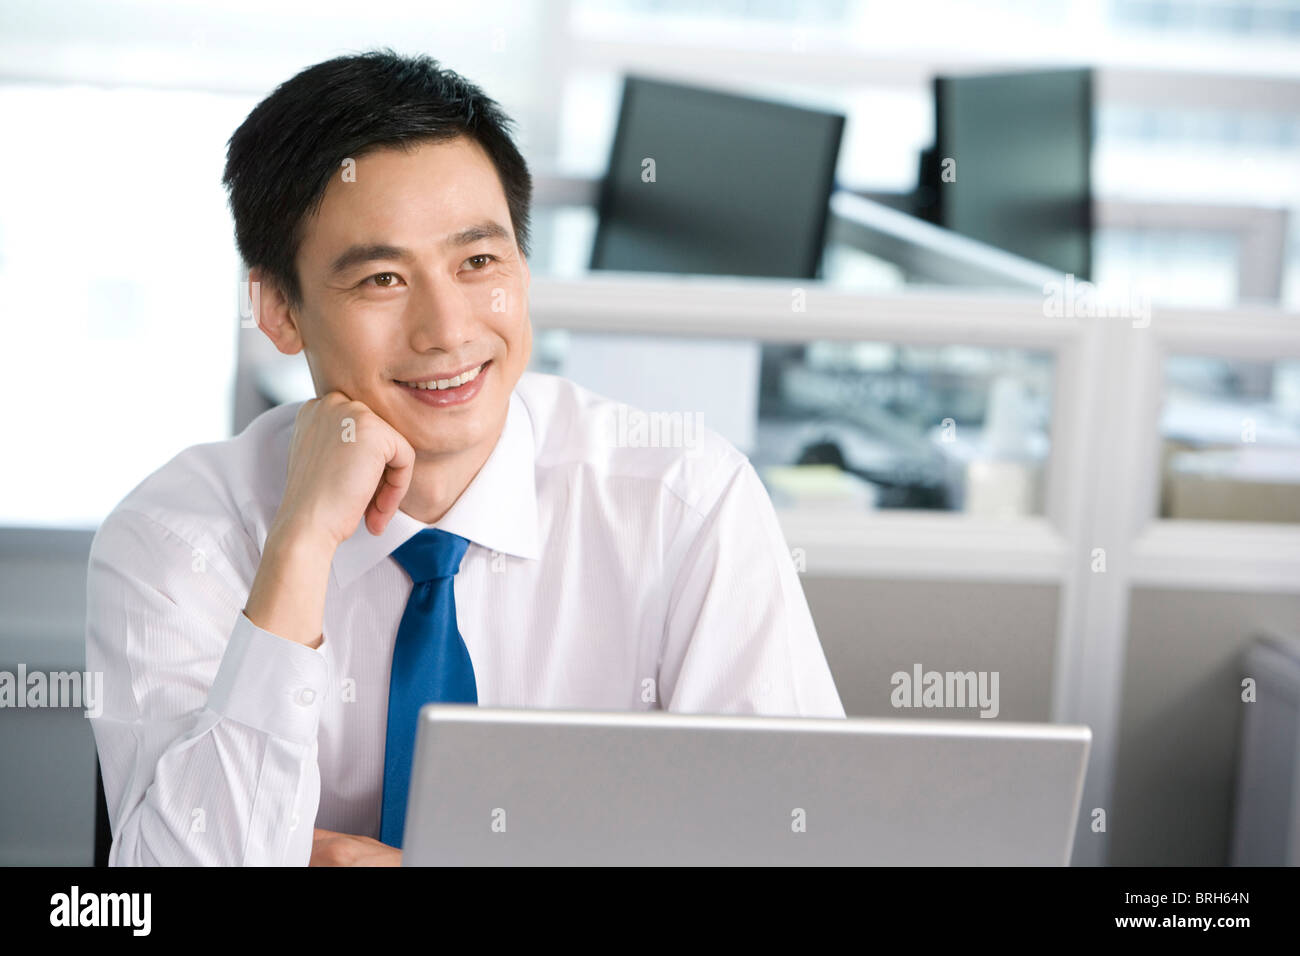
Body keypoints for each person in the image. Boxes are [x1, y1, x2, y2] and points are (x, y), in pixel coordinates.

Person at [86, 48, 845, 867]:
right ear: (278, 310)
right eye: (381, 278)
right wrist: (298, 550)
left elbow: (796, 841)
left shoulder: (685, 504)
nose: (447, 331)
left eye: (478, 262)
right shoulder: (178, 537)